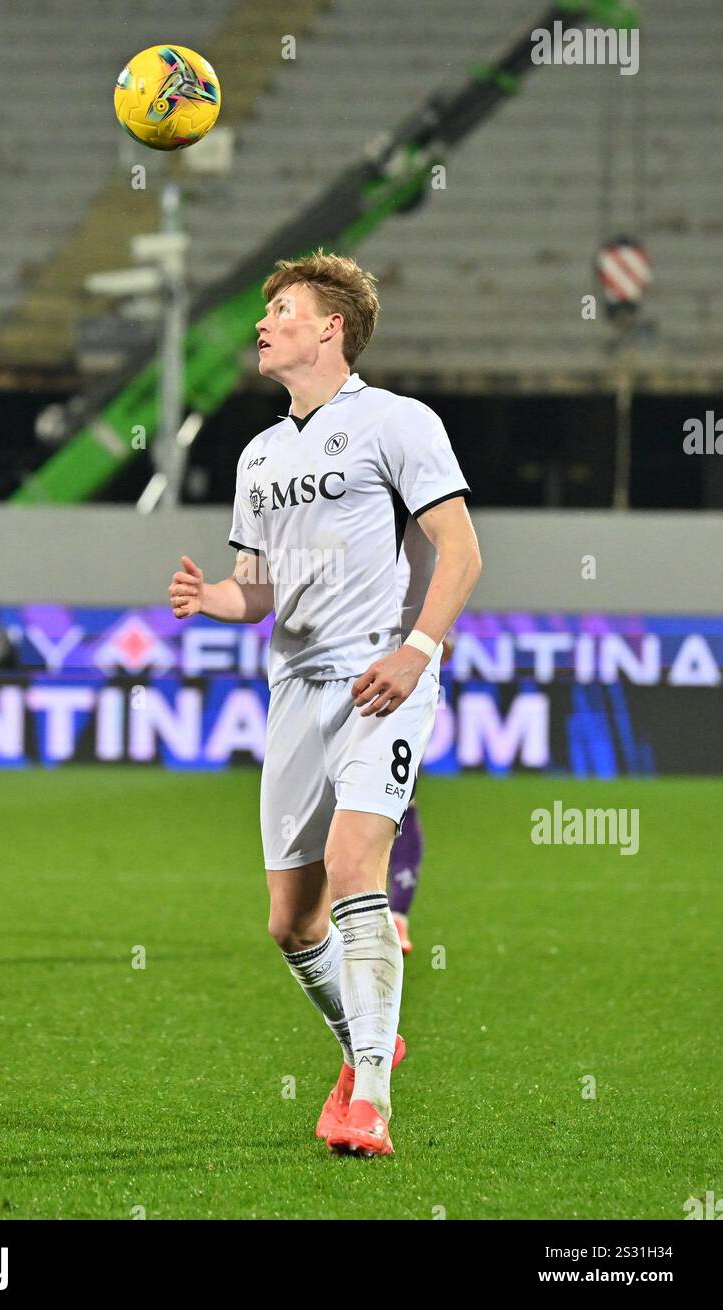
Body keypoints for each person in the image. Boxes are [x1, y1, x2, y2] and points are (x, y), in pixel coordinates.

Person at [169, 251, 481, 1156]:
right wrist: (210, 599)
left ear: (331, 327)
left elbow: (459, 552)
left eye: (282, 309)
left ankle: (371, 1104)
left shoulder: (396, 422)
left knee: (355, 872)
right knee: (290, 923)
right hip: (294, 691)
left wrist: (416, 652)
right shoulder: (261, 453)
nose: (264, 324)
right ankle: (366, 1047)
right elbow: (255, 591)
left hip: (379, 682)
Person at [389, 635, 455, 955]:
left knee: (400, 803)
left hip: (398, 696)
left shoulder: (418, 587)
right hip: (335, 690)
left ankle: (395, 914)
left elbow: (447, 645)